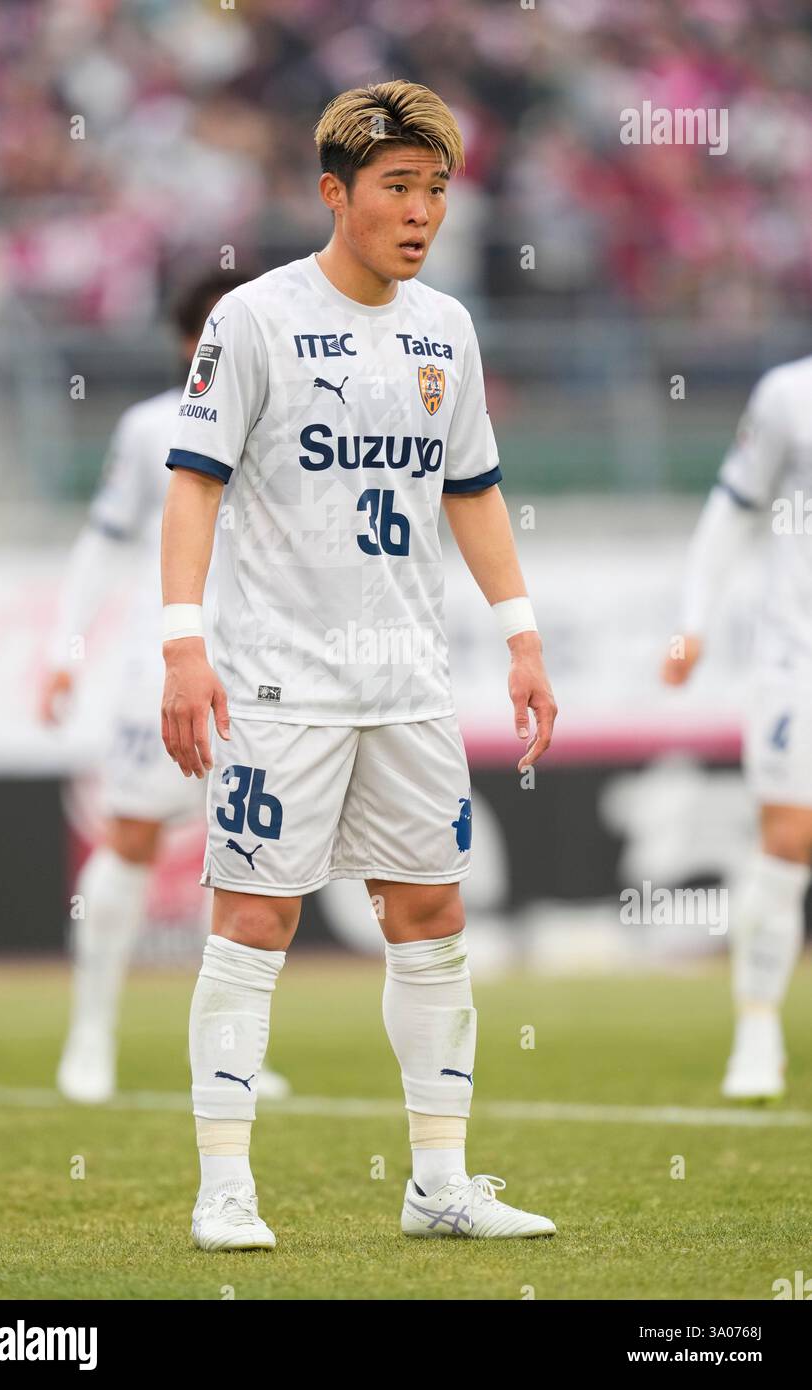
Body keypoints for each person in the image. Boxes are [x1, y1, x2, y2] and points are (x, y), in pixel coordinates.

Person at [160, 80, 558, 1251]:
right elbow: (195, 484)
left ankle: (438, 1181)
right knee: (254, 919)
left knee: (430, 912)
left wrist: (521, 634)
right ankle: (223, 1188)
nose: (421, 211)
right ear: (333, 193)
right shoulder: (253, 318)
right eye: (396, 187)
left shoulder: (447, 328)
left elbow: (471, 492)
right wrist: (181, 643)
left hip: (408, 683)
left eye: (435, 189)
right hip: (278, 678)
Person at [40, 271, 291, 1106]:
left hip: (267, 670)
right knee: (133, 836)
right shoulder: (151, 428)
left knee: (254, 859)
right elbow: (102, 542)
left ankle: (234, 1054)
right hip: (168, 665)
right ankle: (90, 1036)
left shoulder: (293, 414)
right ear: (194, 342)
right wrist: (65, 651)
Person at [663, 356, 812, 1099]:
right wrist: (695, 621)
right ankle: (757, 1030)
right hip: (798, 656)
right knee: (788, 838)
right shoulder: (790, 395)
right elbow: (732, 508)